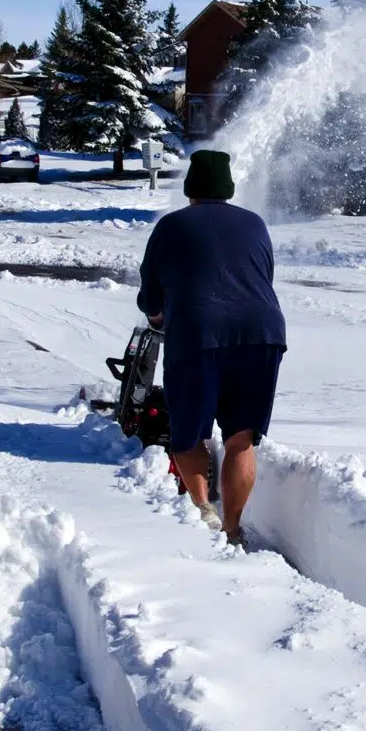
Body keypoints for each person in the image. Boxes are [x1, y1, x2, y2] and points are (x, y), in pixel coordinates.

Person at [137, 149, 286, 549]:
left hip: (198, 336)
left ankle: (204, 509)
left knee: (189, 436)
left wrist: (158, 318)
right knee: (240, 438)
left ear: (191, 190)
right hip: (262, 334)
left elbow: (151, 298)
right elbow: (263, 277)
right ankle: (233, 529)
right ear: (228, 187)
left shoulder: (170, 227)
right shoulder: (254, 224)